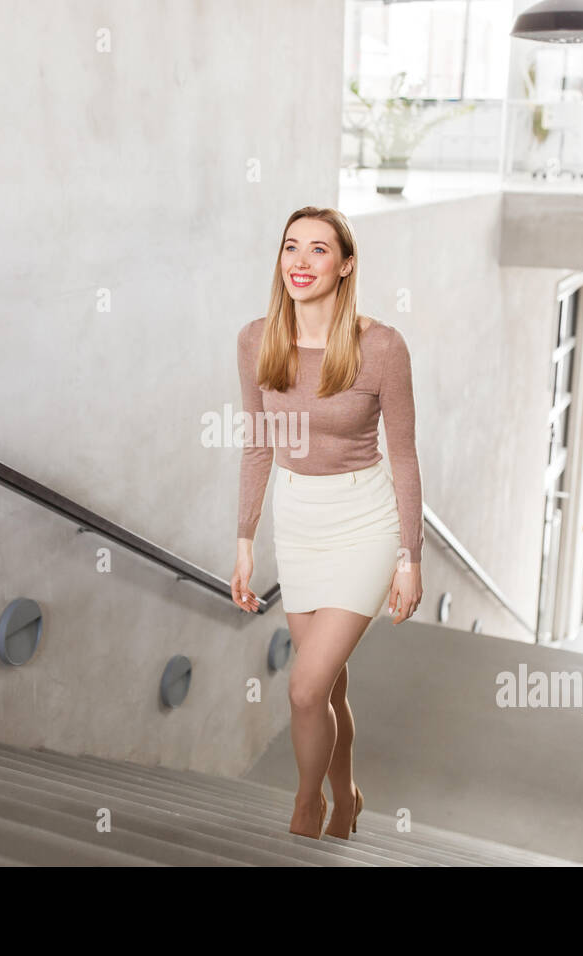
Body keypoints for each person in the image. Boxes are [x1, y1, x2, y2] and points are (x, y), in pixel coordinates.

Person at [230, 205, 424, 840]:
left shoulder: (381, 347)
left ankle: (306, 803)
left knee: (306, 689)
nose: (301, 262)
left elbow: (404, 455)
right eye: (291, 247)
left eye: (319, 250)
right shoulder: (257, 340)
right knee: (332, 690)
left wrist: (409, 557)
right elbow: (259, 445)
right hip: (299, 522)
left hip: (364, 522)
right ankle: (348, 797)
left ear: (345, 265)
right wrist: (244, 542)